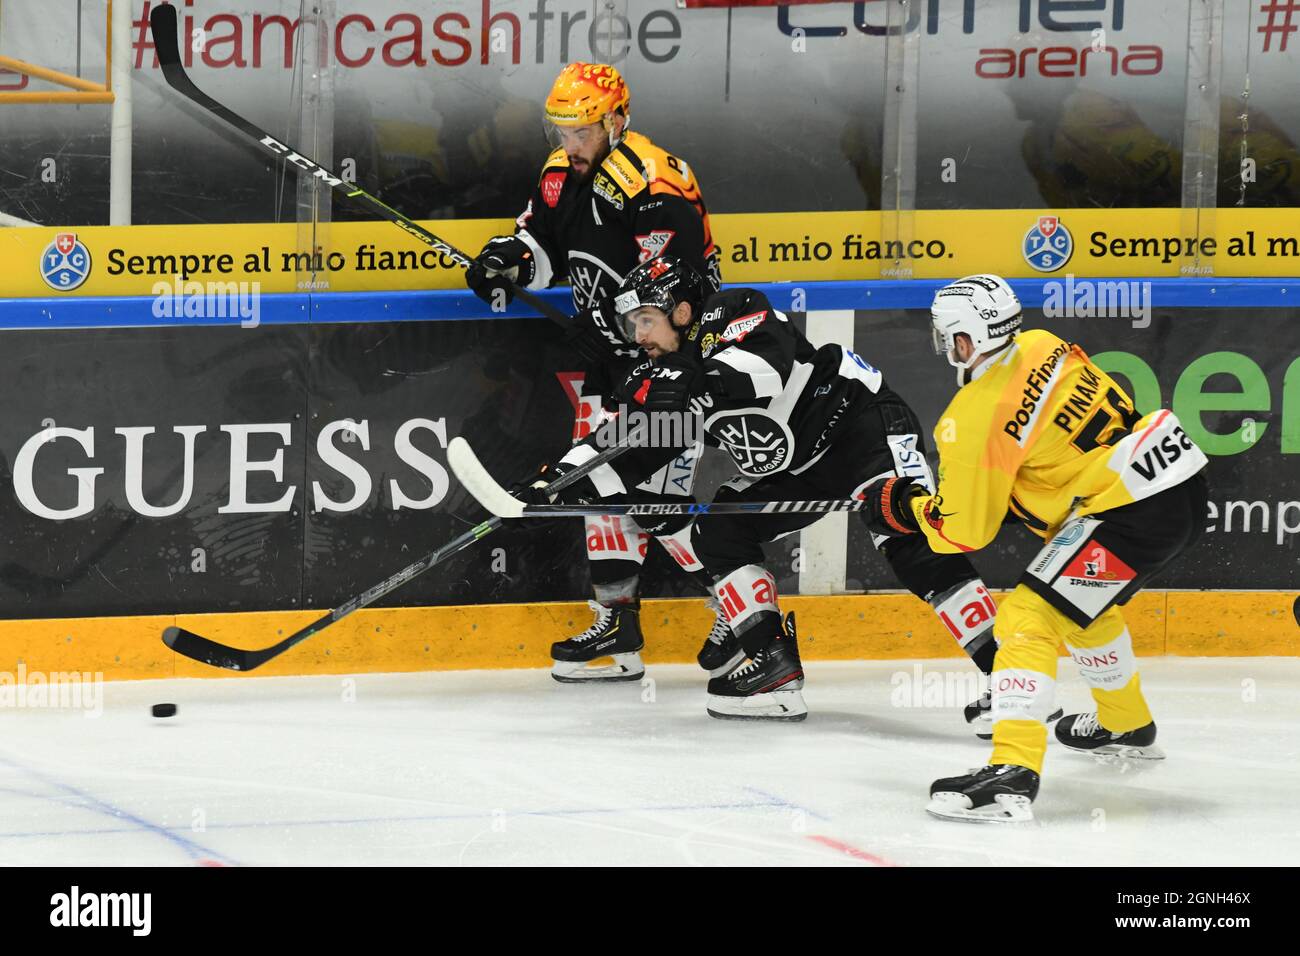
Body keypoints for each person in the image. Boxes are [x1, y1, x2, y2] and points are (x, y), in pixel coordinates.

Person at [517, 256, 1008, 721]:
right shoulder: (670, 376)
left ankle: (1009, 679)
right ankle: (772, 665)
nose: (637, 335)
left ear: (681, 310)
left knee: (908, 538)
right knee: (720, 532)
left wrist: (689, 382)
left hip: (861, 425)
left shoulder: (732, 310)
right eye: (632, 325)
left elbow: (765, 369)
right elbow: (635, 448)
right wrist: (558, 480)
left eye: (645, 319)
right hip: (799, 465)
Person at [858, 274, 1209, 822]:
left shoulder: (971, 417)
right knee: (1080, 609)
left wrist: (904, 506)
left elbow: (965, 530)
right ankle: (1128, 723)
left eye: (943, 334)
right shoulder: (1043, 344)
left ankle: (1012, 773)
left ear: (964, 341)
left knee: (1023, 618)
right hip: (1176, 483)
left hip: (1128, 511)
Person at [464, 62, 725, 684]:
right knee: (600, 496)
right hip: (608, 360)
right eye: (560, 129)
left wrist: (614, 326)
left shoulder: (657, 183)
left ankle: (745, 619)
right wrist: (513, 259)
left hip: (668, 370)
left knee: (655, 503)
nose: (569, 143)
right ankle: (618, 627)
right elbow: (548, 245)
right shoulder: (560, 173)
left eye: (580, 131)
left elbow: (676, 295)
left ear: (615, 120)